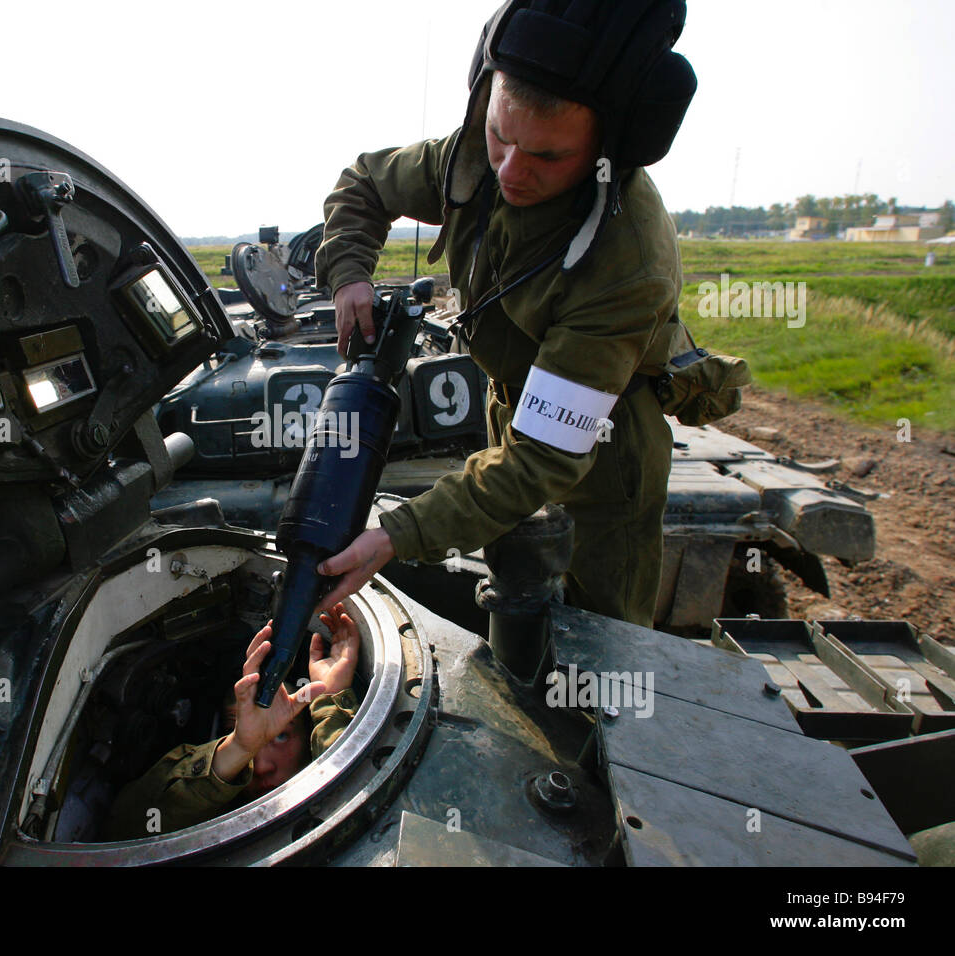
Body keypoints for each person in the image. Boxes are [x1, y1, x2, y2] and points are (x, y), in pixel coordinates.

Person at [312, 0, 698, 628]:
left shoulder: (627, 261)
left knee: (605, 638)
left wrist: (398, 535)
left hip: (601, 442)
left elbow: (544, 457)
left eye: (548, 157)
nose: (510, 172)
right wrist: (349, 273)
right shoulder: (472, 158)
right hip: (512, 402)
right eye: (499, 134)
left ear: (610, 146)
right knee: (513, 584)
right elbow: (365, 183)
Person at [103, 603, 360, 840]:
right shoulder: (204, 820)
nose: (260, 767)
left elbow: (353, 806)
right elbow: (126, 831)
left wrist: (330, 703)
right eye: (233, 731)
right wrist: (238, 747)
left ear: (308, 737)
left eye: (281, 736)